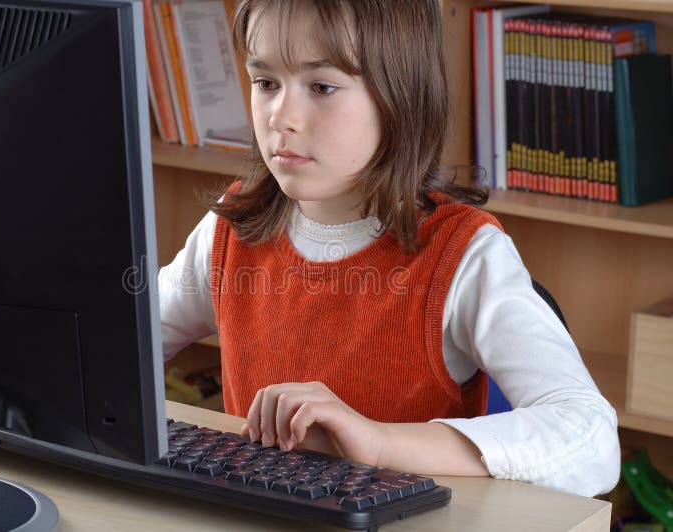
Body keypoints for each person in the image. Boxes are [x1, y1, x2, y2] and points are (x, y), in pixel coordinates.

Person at [158, 0, 620, 497]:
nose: (280, 118)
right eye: (266, 82)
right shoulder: (232, 228)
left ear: (400, 95)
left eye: (322, 87)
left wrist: (378, 443)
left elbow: (591, 440)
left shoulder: (465, 255)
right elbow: (115, 343)